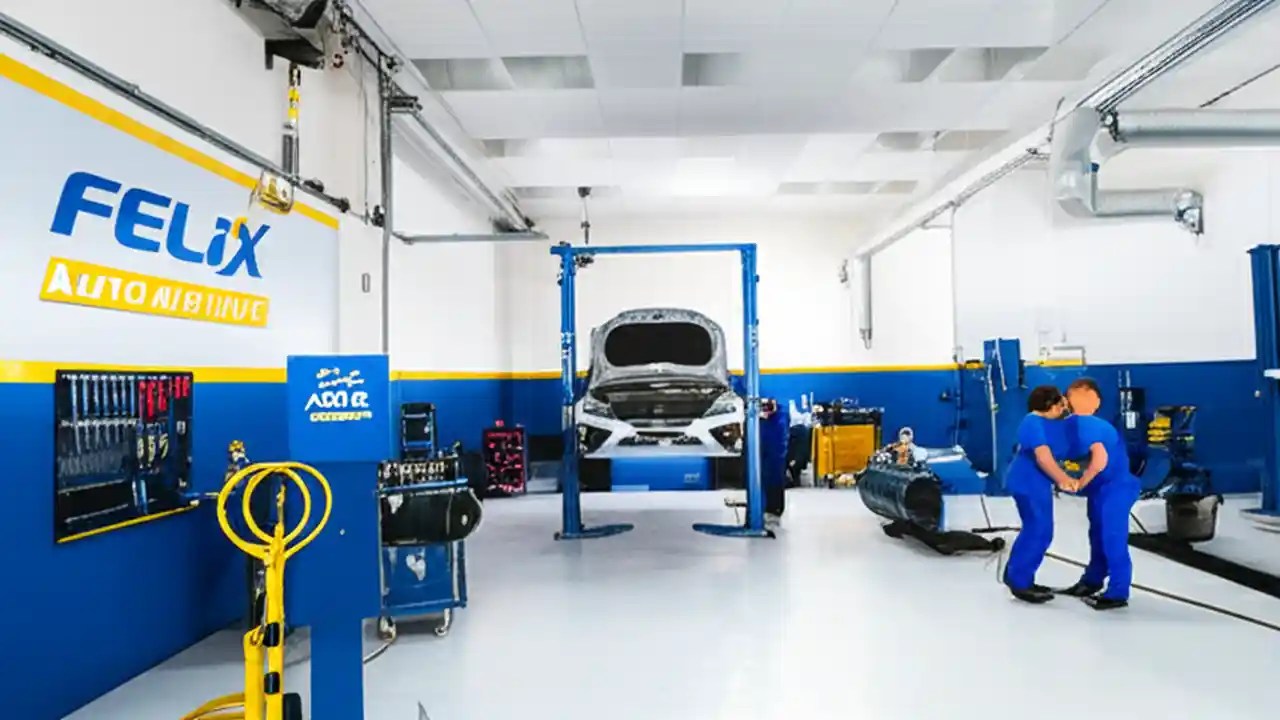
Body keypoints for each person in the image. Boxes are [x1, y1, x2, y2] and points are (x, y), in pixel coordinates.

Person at [1057, 377, 1142, 610]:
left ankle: (1118, 591)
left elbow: (1090, 460)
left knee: (1113, 538)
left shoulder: (1095, 427)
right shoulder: (1072, 425)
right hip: (1100, 489)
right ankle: (1092, 581)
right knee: (1097, 535)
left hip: (1117, 488)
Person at [1003, 385, 1078, 603]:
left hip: (1038, 484)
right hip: (1028, 483)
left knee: (1040, 530)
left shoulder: (1049, 423)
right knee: (1038, 530)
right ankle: (1019, 581)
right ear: (1050, 405)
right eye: (1060, 404)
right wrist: (1063, 479)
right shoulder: (1032, 422)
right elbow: (1043, 458)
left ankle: (1022, 576)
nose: (1063, 409)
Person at [760, 398, 790, 527]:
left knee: (773, 474)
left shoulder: (780, 416)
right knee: (763, 475)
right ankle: (763, 508)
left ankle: (773, 511)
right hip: (765, 443)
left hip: (774, 446)